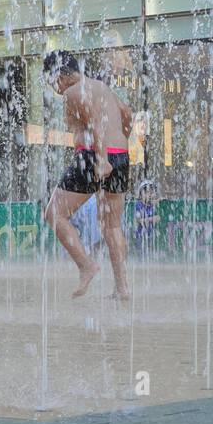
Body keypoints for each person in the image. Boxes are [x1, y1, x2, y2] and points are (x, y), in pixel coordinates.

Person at [42, 51, 133, 302]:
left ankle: (86, 266)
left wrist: (102, 158)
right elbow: (127, 114)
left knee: (54, 214)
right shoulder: (102, 87)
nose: (53, 87)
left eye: (51, 80)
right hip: (121, 155)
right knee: (111, 225)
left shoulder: (74, 91)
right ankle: (122, 288)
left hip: (96, 157)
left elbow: (95, 122)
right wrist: (120, 143)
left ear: (58, 75)